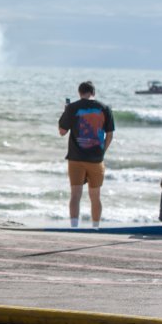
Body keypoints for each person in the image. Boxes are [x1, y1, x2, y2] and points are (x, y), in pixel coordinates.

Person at [58, 81, 115, 228]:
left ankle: (74, 227)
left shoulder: (72, 108)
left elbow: (62, 132)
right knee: (95, 196)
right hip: (96, 159)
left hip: (75, 159)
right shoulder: (105, 108)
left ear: (79, 93)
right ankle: (95, 227)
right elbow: (110, 135)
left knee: (75, 195)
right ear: (93, 92)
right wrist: (102, 152)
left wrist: (65, 112)